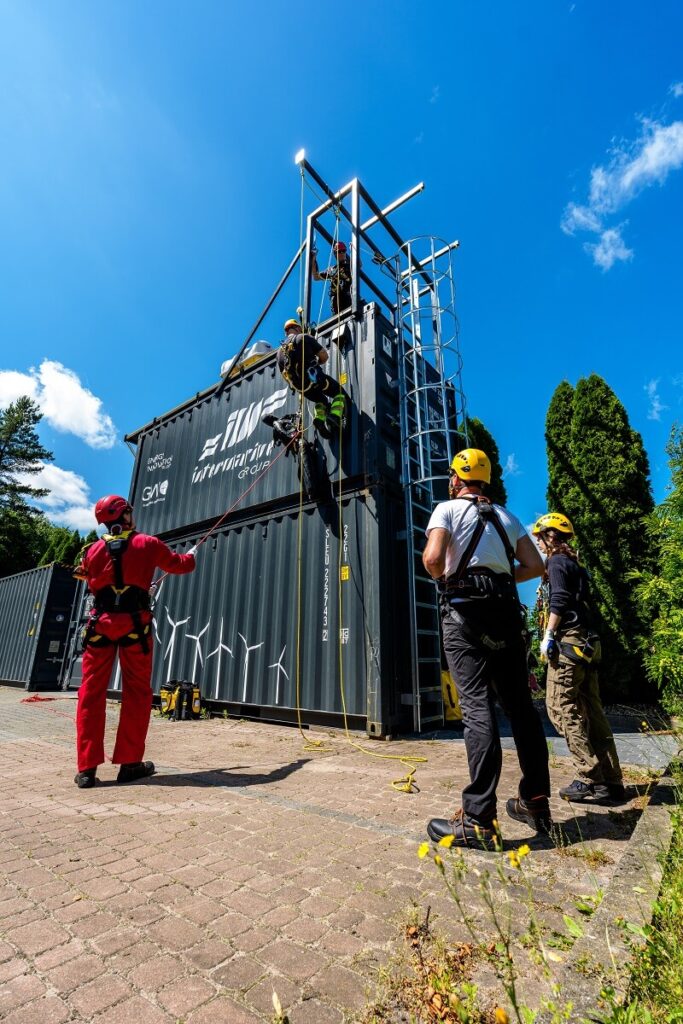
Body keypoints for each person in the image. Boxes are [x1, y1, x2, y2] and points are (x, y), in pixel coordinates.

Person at [422, 448, 551, 848]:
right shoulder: (507, 517)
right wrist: (497, 576)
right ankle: (535, 801)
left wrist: (450, 576)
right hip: (507, 616)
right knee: (522, 712)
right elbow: (535, 566)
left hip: (464, 617)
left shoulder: (445, 509)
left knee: (477, 709)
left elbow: (432, 559)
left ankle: (478, 819)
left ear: (456, 479)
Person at [73, 495, 196, 789]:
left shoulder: (91, 551)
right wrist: (190, 556)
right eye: (129, 512)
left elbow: (91, 580)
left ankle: (86, 768)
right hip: (134, 628)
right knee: (137, 693)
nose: (132, 515)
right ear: (123, 516)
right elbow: (181, 565)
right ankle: (129, 763)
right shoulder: (147, 543)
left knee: (90, 692)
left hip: (99, 627)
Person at [533, 513, 625, 804]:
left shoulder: (557, 562)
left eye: (540, 536)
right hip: (588, 643)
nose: (537, 542)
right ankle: (612, 781)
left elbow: (558, 600)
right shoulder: (575, 564)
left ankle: (589, 777)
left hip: (570, 643)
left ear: (550, 536)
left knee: (561, 708)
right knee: (592, 712)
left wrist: (548, 634)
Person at [276, 318, 346, 438]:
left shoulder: (279, 353)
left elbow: (285, 376)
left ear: (286, 332)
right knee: (339, 393)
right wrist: (317, 362)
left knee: (321, 401)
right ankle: (334, 416)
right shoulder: (303, 337)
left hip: (303, 389)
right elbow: (324, 356)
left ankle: (319, 419)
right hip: (316, 380)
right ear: (297, 328)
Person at [313, 241, 353, 316]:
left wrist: (354, 250)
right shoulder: (332, 270)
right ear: (335, 254)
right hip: (336, 302)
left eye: (343, 251)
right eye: (339, 251)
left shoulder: (350, 266)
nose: (341, 253)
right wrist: (313, 259)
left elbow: (359, 264)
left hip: (348, 299)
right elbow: (316, 277)